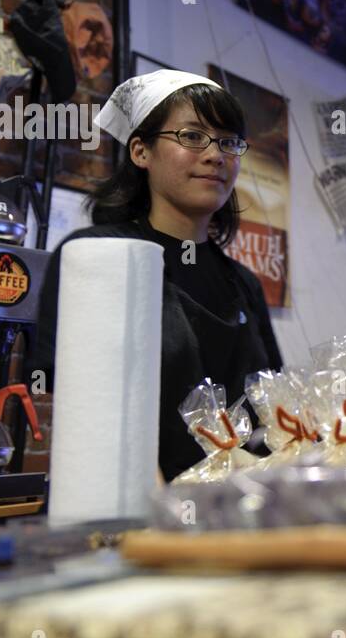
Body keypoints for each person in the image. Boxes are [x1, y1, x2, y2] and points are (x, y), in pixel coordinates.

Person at [30, 70, 282, 482]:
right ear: (141, 152)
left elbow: (269, 412)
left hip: (234, 514)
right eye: (192, 136)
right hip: (128, 508)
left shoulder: (243, 285)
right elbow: (87, 408)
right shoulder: (98, 255)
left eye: (228, 142)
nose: (215, 155)